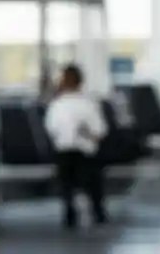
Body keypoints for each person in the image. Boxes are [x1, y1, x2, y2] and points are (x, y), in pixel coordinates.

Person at [44, 64, 108, 228]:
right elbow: (99, 131)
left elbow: (51, 129)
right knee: (93, 181)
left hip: (64, 152)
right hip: (86, 153)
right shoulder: (89, 104)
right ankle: (98, 212)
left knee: (66, 182)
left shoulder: (57, 105)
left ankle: (69, 212)